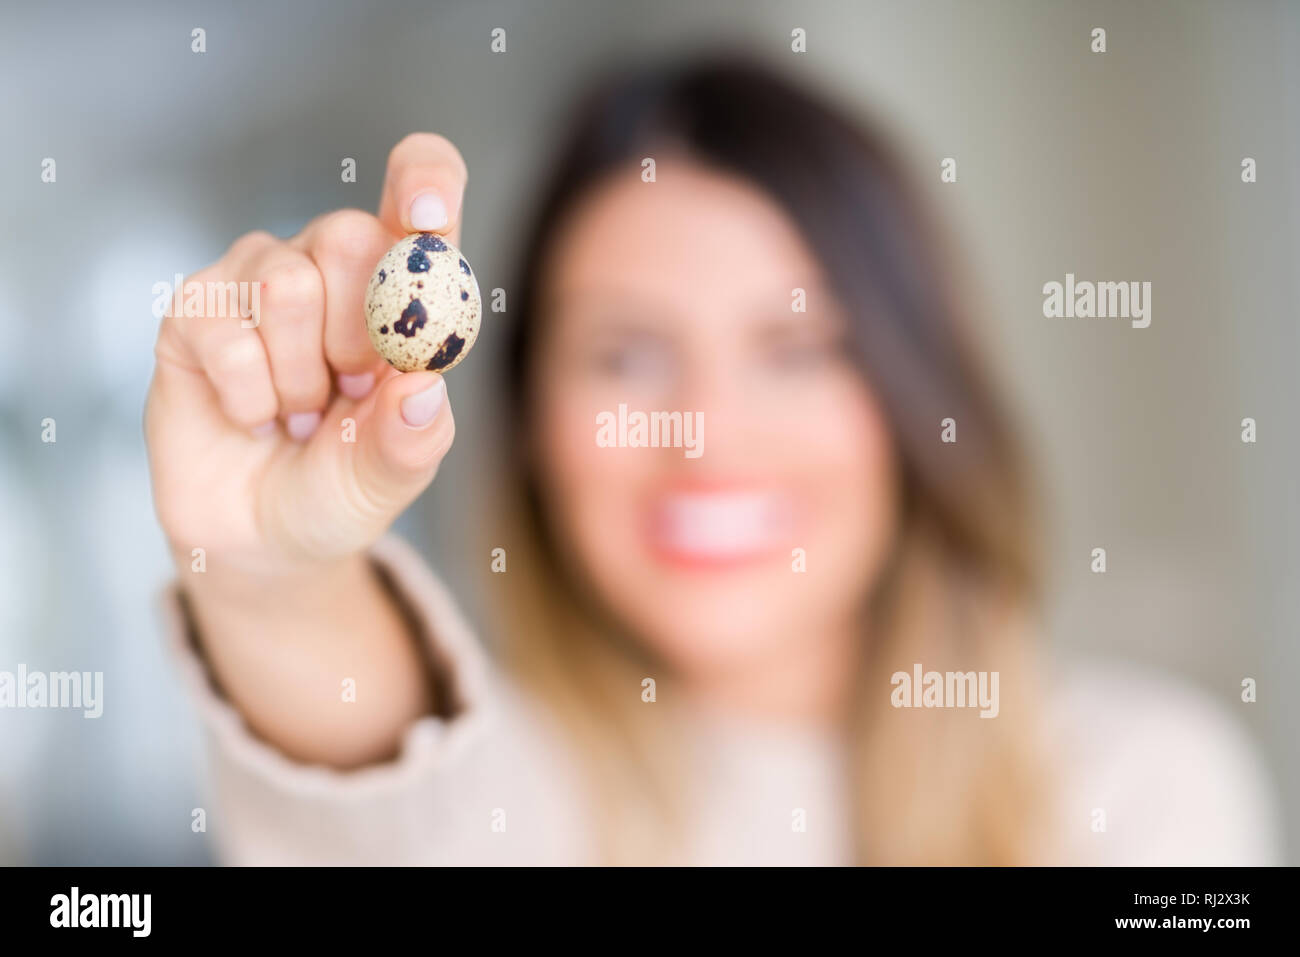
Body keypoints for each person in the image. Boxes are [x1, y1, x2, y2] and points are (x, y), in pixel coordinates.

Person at [145, 54, 1278, 865]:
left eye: (795, 351)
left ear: (911, 400)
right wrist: (272, 574)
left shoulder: (1137, 789)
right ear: (533, 424)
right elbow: (377, 804)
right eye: (625, 357)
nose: (704, 436)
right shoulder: (494, 810)